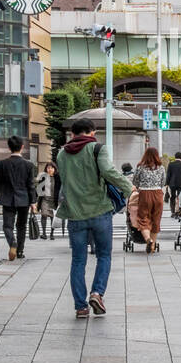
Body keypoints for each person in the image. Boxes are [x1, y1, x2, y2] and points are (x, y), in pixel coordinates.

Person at [57, 118, 131, 318]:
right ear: (92, 131)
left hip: (75, 214)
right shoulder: (97, 148)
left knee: (78, 260)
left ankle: (81, 307)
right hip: (100, 212)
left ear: (73, 134)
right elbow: (109, 172)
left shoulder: (62, 154)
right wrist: (129, 188)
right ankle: (97, 293)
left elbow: (64, 182)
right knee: (104, 255)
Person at [0, 135, 36, 262]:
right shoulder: (29, 165)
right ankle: (19, 251)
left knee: (8, 226)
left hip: (7, 198)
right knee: (21, 226)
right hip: (24, 199)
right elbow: (31, 185)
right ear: (22, 147)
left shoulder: (2, 164)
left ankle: (12, 242)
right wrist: (33, 202)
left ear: (9, 148)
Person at [131, 147, 166, 253]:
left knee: (143, 218)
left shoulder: (140, 167)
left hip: (145, 194)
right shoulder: (161, 167)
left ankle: (148, 240)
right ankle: (153, 246)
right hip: (158, 194)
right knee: (156, 220)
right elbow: (163, 182)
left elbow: (135, 182)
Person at [36, 160, 60, 241]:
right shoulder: (43, 177)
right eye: (48, 168)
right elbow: (39, 190)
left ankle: (52, 234)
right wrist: (34, 201)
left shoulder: (58, 177)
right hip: (45, 200)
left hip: (54, 201)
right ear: (46, 169)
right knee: (44, 215)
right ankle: (44, 233)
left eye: (52, 168)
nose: (50, 169)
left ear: (54, 169)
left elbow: (61, 189)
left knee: (53, 217)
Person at [165, 151, 181, 218]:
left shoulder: (171, 164)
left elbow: (168, 174)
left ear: (175, 157)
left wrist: (167, 183)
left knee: (173, 197)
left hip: (172, 183)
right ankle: (179, 211)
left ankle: (173, 212)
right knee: (180, 197)